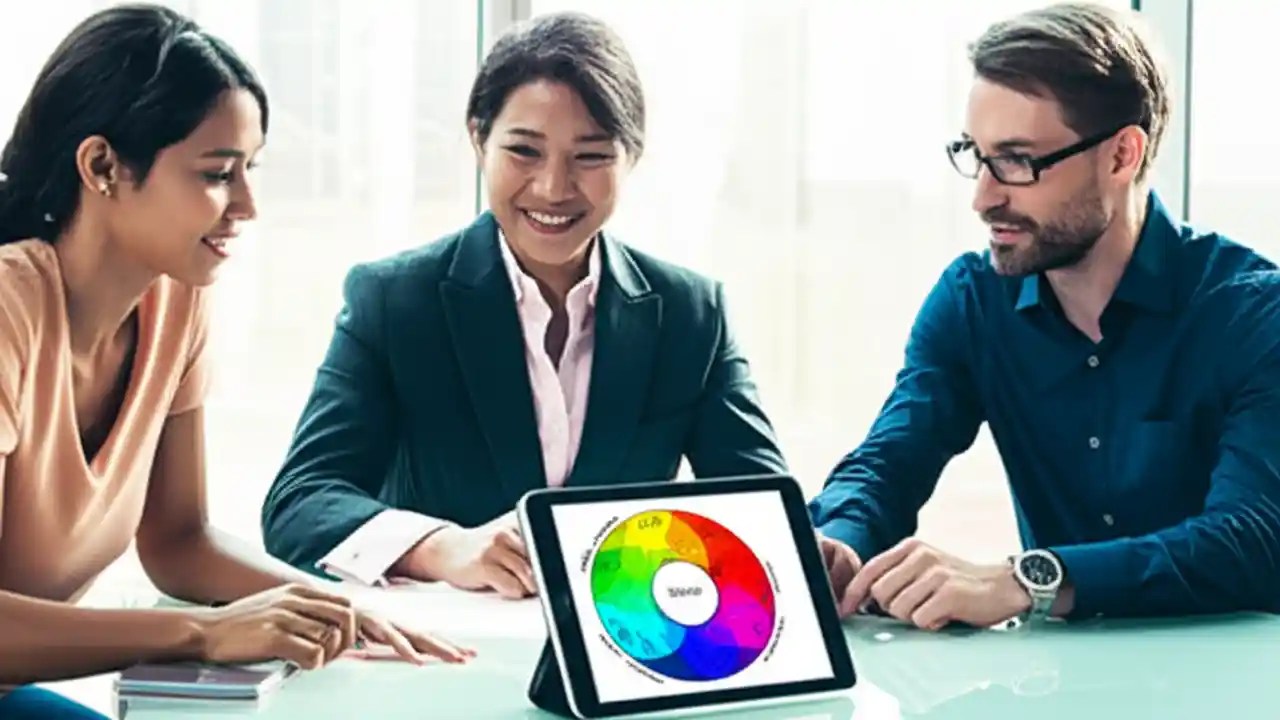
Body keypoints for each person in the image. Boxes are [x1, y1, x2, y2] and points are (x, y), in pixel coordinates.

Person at [0, 5, 472, 713]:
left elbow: (177, 539)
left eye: (250, 169)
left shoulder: (175, 300)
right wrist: (205, 633)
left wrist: (322, 603)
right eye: (218, 173)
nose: (247, 204)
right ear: (102, 165)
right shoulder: (9, 310)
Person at [260, 11, 788, 598]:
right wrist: (441, 548)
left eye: (590, 157)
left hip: (633, 644)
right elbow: (300, 502)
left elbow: (763, 509)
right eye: (524, 151)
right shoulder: (395, 300)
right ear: (477, 140)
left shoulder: (691, 313)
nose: (553, 188)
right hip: (446, 650)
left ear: (631, 158)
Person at [810, 2, 1280, 629]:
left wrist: (1029, 578)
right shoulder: (973, 299)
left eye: (1017, 161)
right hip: (1064, 682)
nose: (983, 196)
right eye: (975, 155)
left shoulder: (1251, 312)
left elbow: (1252, 540)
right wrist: (840, 542)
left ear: (1121, 156)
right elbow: (890, 459)